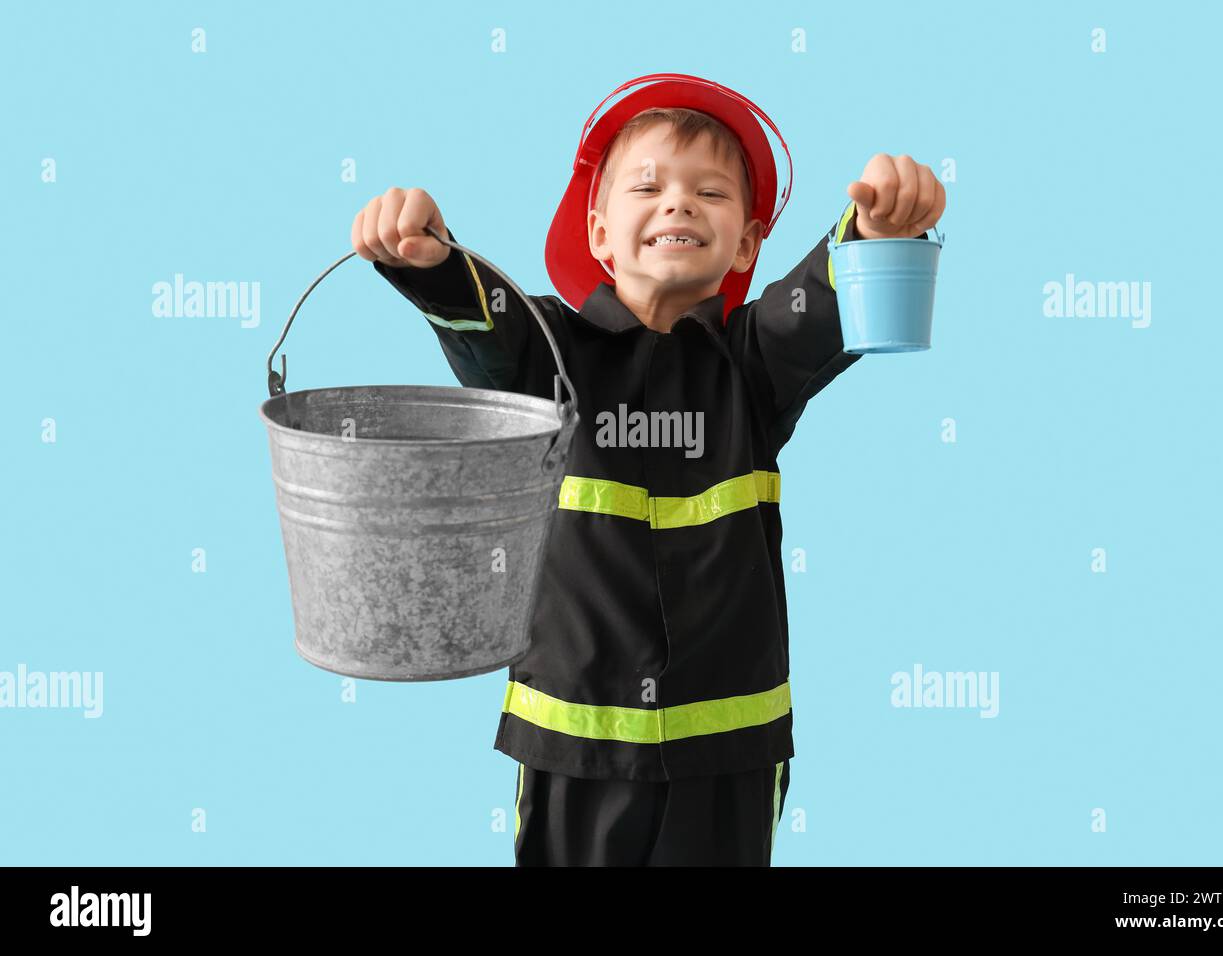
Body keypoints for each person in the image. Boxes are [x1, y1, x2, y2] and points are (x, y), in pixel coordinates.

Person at [349, 74, 945, 866]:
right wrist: (432, 261)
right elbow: (487, 322)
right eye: (647, 186)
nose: (679, 204)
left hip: (728, 754)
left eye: (710, 192)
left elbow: (815, 301)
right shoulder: (547, 354)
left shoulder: (753, 362)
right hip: (575, 748)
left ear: (746, 245)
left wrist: (874, 231)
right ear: (599, 233)